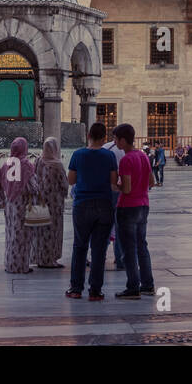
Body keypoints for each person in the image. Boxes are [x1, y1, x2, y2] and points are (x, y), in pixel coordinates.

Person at [65, 121, 118, 301]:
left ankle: (76, 288)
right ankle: (95, 291)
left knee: (80, 246)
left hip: (82, 204)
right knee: (99, 249)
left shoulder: (78, 155)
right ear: (104, 138)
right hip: (104, 204)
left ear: (88, 135)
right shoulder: (109, 156)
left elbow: (71, 180)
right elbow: (113, 181)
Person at [113, 123, 154, 299]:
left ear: (123, 140)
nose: (114, 142)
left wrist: (115, 185)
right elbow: (151, 182)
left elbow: (127, 188)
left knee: (129, 249)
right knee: (142, 246)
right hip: (144, 205)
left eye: (115, 139)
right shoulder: (143, 156)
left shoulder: (126, 159)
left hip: (128, 207)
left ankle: (132, 287)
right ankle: (147, 284)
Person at [0, 137, 40, 274]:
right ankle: (20, 266)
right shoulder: (26, 165)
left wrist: (1, 199)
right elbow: (33, 187)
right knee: (23, 237)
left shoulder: (6, 163)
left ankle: (10, 264)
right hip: (23, 205)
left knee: (11, 234)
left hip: (10, 205)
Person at [32, 136, 69, 269]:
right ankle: (50, 259)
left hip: (39, 201)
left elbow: (33, 178)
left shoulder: (37, 161)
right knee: (53, 231)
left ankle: (40, 258)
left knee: (40, 231)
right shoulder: (57, 164)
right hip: (54, 204)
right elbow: (64, 184)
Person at [102, 134, 126, 270]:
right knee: (119, 226)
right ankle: (120, 258)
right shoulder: (124, 151)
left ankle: (100, 257)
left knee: (104, 225)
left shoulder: (105, 148)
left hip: (105, 190)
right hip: (119, 190)